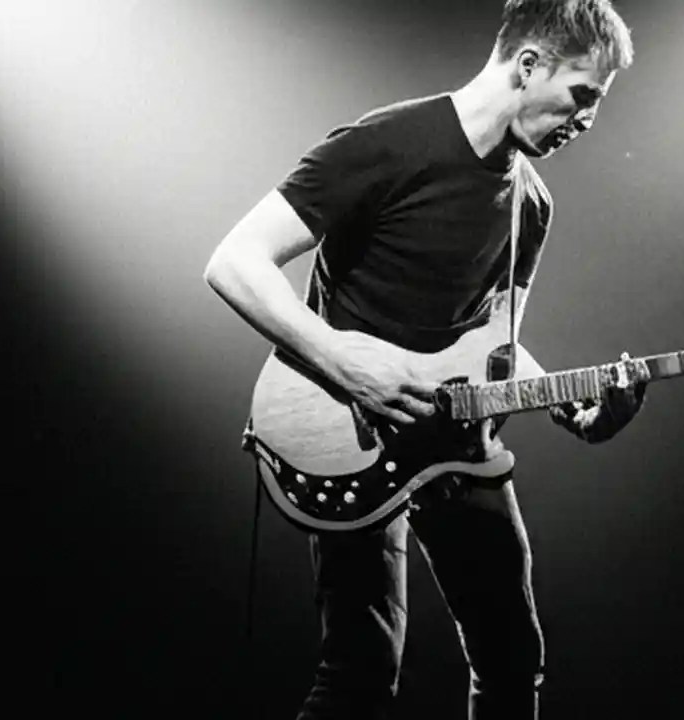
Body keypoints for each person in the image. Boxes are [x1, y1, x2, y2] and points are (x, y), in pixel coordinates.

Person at [203, 1, 642, 717]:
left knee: (512, 658)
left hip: (453, 445)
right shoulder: (387, 143)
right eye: (582, 93)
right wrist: (343, 361)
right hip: (349, 430)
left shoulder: (531, 205)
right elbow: (234, 261)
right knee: (361, 668)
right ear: (529, 65)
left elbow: (497, 348)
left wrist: (584, 410)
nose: (588, 120)